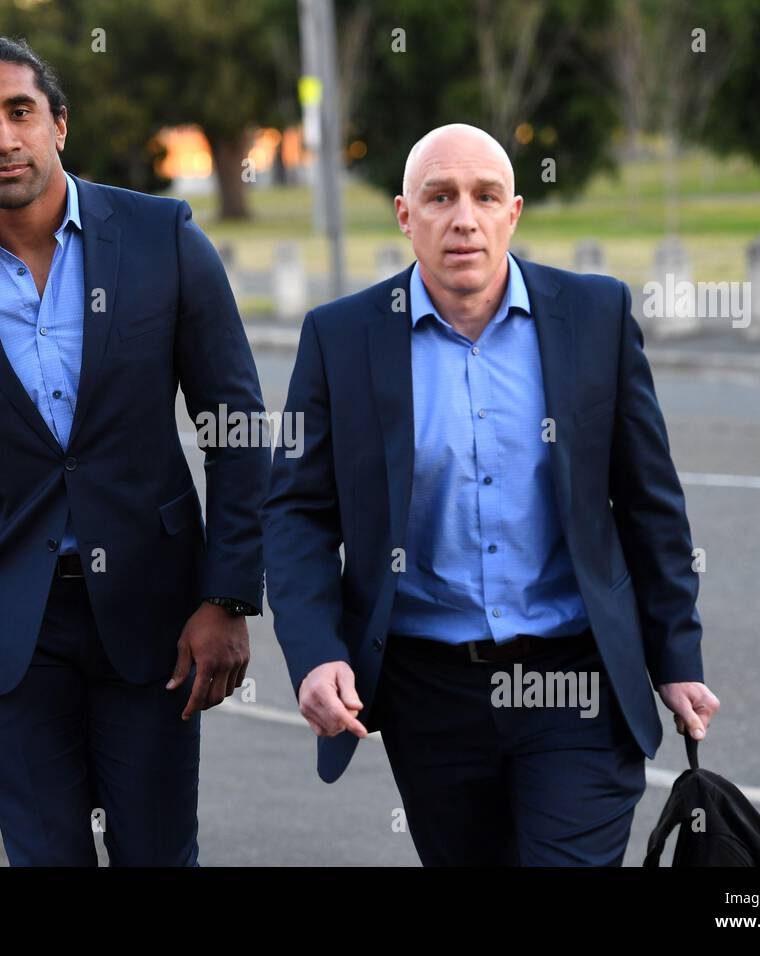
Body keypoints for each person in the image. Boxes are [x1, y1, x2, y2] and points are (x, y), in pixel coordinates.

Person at [262, 123, 720, 865]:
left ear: (514, 212)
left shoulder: (593, 317)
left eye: (485, 196)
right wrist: (316, 653)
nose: (464, 218)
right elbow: (297, 514)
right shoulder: (341, 338)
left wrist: (677, 656)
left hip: (575, 681)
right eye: (439, 197)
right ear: (406, 216)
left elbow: (649, 501)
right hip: (430, 694)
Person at [0, 35, 269, 866]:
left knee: (157, 853)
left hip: (156, 621)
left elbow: (237, 426)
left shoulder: (164, 239)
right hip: (8, 632)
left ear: (59, 125)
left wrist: (227, 597)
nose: (1, 137)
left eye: (20, 112)